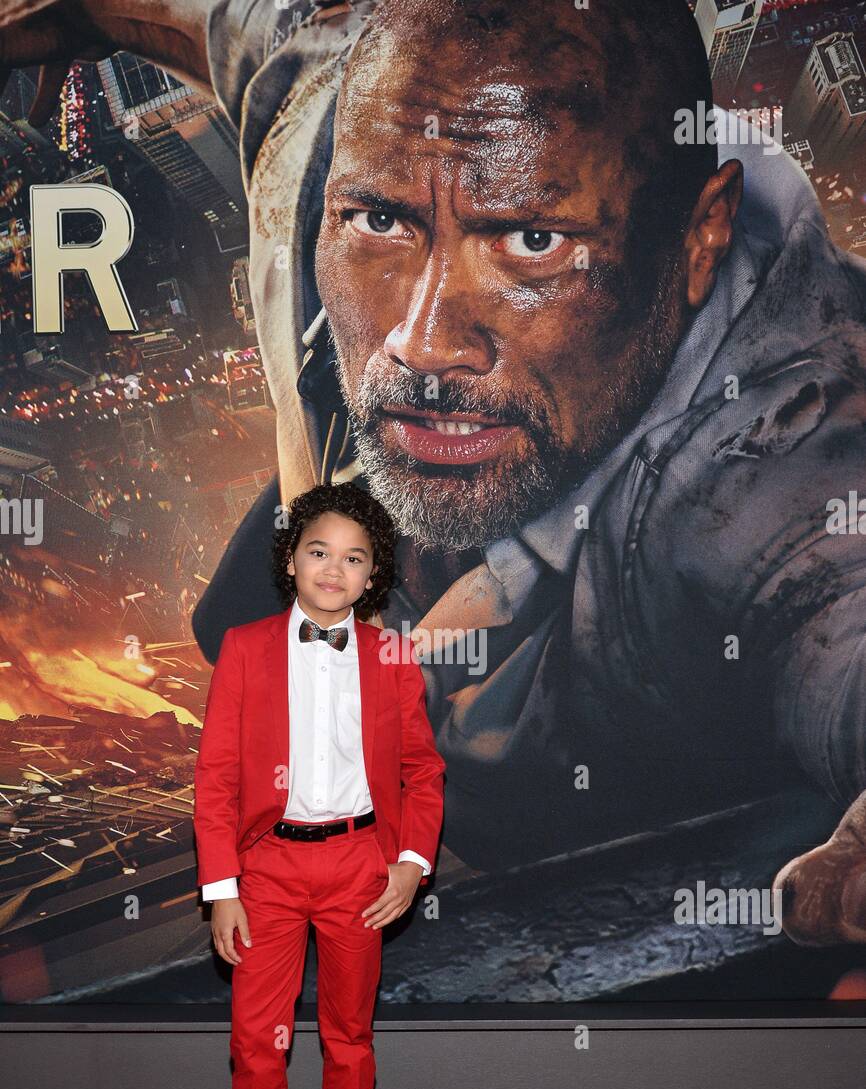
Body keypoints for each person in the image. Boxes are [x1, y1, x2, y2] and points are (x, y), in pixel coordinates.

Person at [3, 0, 866, 948]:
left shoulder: (766, 480)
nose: (420, 343)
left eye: (531, 240)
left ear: (701, 241)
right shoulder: (342, 125)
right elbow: (240, 36)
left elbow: (834, 608)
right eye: (380, 221)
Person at [156, 482, 446, 1089]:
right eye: (319, 551)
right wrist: (221, 889)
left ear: (371, 576)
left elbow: (424, 771)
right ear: (291, 559)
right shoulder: (247, 649)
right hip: (268, 870)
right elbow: (215, 779)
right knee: (258, 1042)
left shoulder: (392, 656)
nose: (333, 569)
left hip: (361, 866)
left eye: (353, 559)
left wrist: (412, 863)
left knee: (350, 1039)